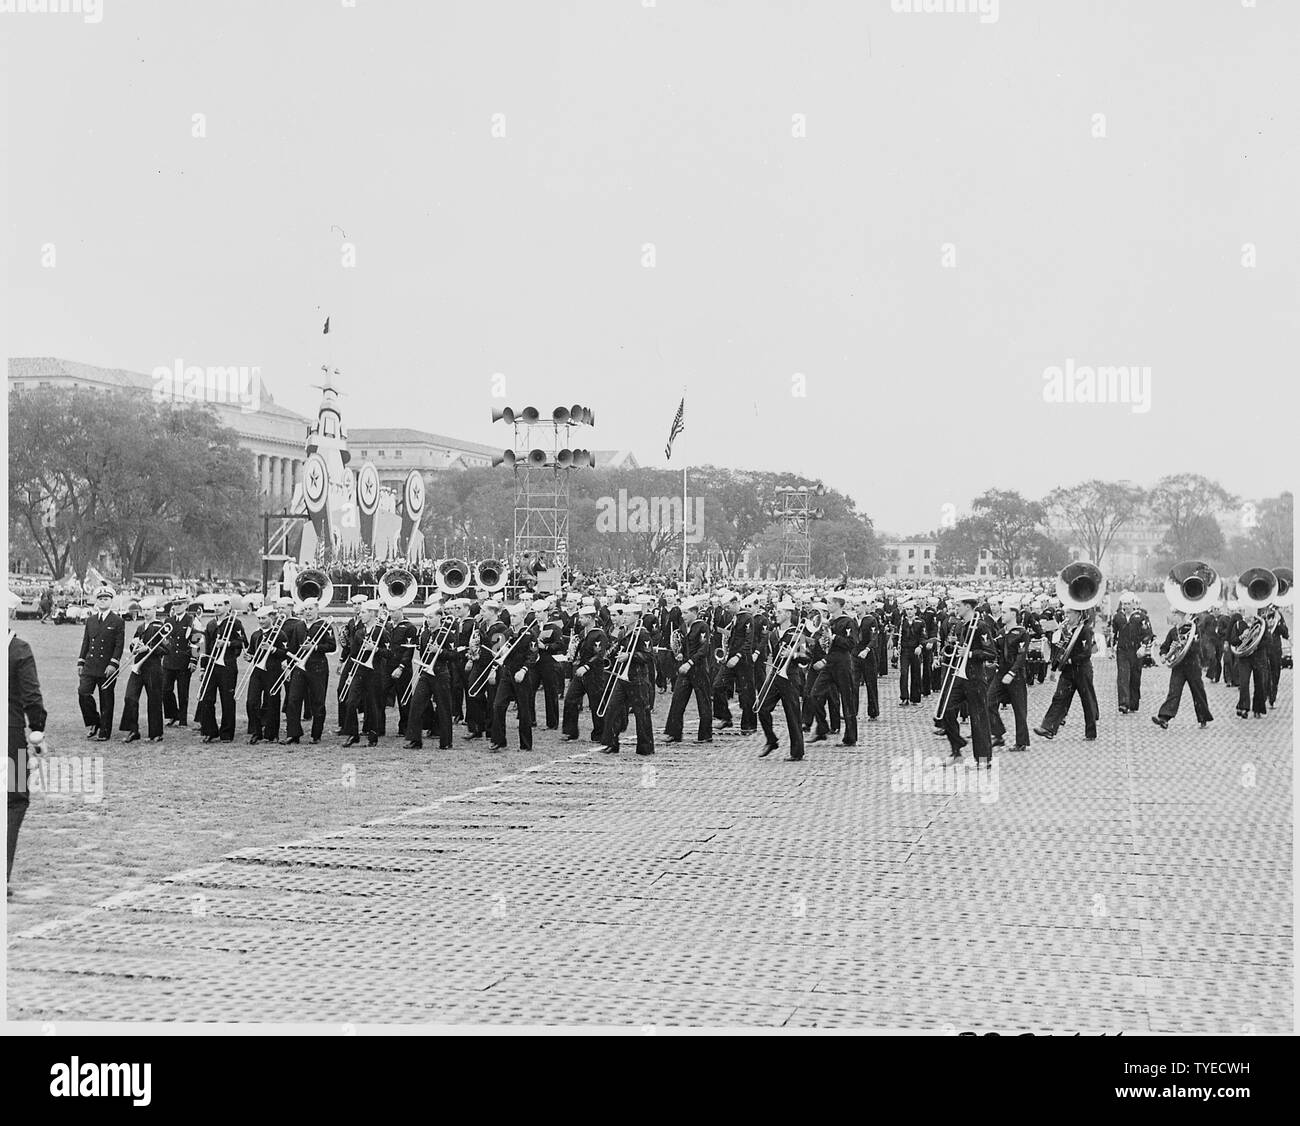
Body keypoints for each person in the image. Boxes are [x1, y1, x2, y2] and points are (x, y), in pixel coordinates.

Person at [9, 590, 48, 896]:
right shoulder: (19, 649)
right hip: (8, 735)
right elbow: (32, 698)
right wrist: (37, 733)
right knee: (14, 800)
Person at [937, 590, 998, 766]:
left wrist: (969, 653)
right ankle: (957, 749)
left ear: (967, 606)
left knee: (979, 718)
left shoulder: (981, 626)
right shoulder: (961, 626)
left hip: (975, 677)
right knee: (945, 709)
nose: (956, 609)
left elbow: (991, 653)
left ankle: (984, 759)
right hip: (960, 677)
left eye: (958, 606)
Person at [1034, 607, 1099, 741]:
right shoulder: (1067, 631)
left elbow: (1087, 652)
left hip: (1082, 669)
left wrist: (1071, 659)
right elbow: (1060, 650)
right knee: (1059, 697)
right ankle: (1048, 727)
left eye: (1069, 613)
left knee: (1087, 700)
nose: (1066, 616)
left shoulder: (1085, 629)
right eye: (1065, 613)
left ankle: (1091, 732)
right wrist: (1054, 668)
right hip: (1068, 670)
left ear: (1078, 614)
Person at [281, 597, 336, 744]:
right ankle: (293, 733)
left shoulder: (325, 625)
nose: (308, 612)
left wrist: (315, 647)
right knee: (293, 700)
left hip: (317, 666)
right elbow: (293, 647)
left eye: (310, 609)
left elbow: (332, 646)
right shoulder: (299, 625)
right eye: (305, 609)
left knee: (318, 701)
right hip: (299, 666)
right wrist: (288, 664)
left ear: (317, 609)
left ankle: (316, 735)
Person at [757, 599, 807, 761]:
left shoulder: (797, 634)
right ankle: (771, 740)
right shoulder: (773, 633)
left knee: (792, 715)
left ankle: (797, 752)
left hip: (790, 677)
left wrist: (792, 655)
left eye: (779, 612)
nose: (776, 615)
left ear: (787, 614)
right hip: (775, 675)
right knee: (761, 707)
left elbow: (805, 658)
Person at [77, 585, 124, 741]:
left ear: (111, 601)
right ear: (96, 601)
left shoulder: (117, 621)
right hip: (90, 665)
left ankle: (104, 730)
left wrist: (113, 663)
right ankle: (94, 722)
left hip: (107, 667)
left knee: (106, 699)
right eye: (100, 599)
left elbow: (119, 644)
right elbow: (86, 642)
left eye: (106, 599)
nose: (102, 601)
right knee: (83, 693)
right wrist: (81, 661)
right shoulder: (91, 620)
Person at [1151, 610, 1212, 730]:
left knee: (1198, 691)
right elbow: (1164, 647)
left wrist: (1185, 645)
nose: (1172, 617)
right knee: (1174, 691)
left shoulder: (1193, 629)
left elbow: (1197, 647)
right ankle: (1164, 718)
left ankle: (1203, 718)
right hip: (1178, 666)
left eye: (1174, 615)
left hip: (1192, 665)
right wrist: (1164, 655)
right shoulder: (1173, 631)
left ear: (1181, 616)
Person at [118, 597, 168, 743]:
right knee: (130, 697)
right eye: (143, 610)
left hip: (153, 667)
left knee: (154, 700)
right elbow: (134, 648)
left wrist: (150, 648)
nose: (146, 613)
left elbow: (167, 648)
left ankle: (156, 733)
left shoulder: (161, 627)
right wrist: (134, 645)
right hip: (138, 666)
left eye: (148, 610)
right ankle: (133, 730)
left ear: (154, 610)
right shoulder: (140, 627)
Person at [664, 597, 713, 744]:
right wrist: (680, 653)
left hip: (698, 669)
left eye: (686, 613)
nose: (683, 616)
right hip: (686, 669)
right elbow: (684, 645)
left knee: (703, 702)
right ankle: (673, 733)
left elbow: (703, 649)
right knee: (677, 699)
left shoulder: (702, 626)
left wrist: (689, 662)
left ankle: (705, 735)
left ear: (694, 612)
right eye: (682, 613)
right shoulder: (684, 627)